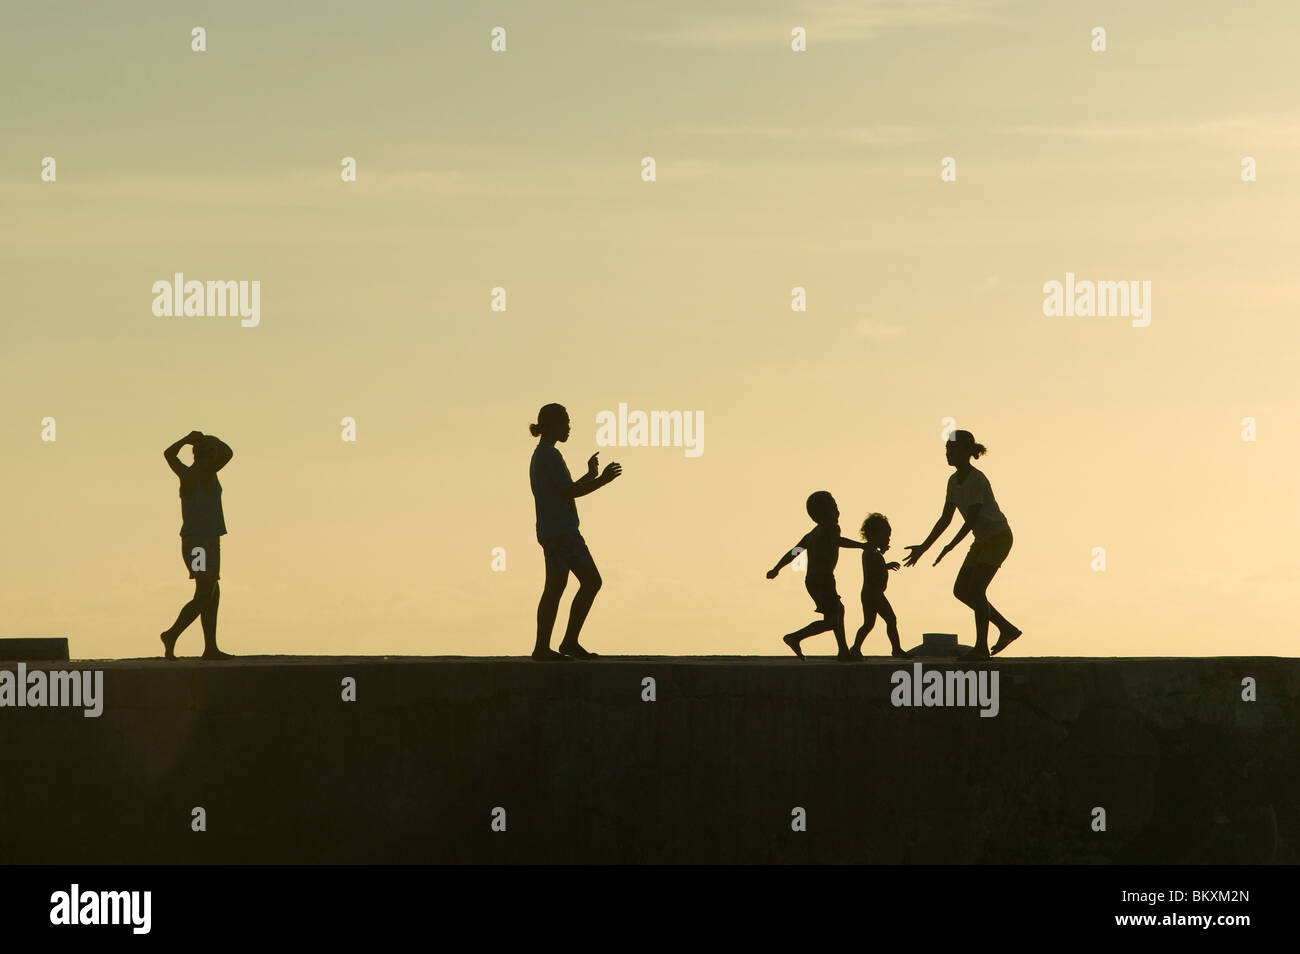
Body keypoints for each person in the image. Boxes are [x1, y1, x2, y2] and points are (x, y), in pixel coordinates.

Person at [903, 430, 1021, 659]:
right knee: (961, 590)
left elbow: (973, 519)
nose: (947, 453)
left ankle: (981, 648)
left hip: (998, 537)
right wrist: (923, 548)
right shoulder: (952, 482)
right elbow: (945, 519)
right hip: (982, 540)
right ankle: (1006, 628)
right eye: (946, 448)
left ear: (966, 452)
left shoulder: (976, 478)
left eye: (952, 449)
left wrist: (949, 547)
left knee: (976, 589)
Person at [529, 404, 621, 660]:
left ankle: (543, 647)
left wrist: (590, 474)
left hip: (550, 531)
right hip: (563, 533)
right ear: (553, 425)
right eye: (566, 422)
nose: (569, 427)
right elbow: (568, 493)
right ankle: (568, 642)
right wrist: (602, 480)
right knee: (592, 582)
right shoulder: (550, 456)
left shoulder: (541, 455)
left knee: (555, 588)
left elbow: (563, 490)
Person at [160, 431, 234, 660]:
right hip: (201, 544)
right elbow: (228, 452)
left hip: (203, 541)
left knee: (212, 593)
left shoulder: (188, 473)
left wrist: (187, 440)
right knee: (204, 594)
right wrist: (203, 440)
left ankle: (210, 647)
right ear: (208, 454)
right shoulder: (205, 472)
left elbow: (169, 454)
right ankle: (171, 634)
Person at [767, 491, 865, 661]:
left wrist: (777, 568)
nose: (838, 512)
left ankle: (843, 651)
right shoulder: (832, 529)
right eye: (834, 509)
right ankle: (795, 637)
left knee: (838, 610)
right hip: (823, 580)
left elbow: (794, 552)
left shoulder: (811, 535)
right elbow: (838, 541)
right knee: (832, 621)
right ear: (822, 514)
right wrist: (862, 546)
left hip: (813, 581)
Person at [851, 512, 906, 658]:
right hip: (873, 594)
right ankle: (896, 649)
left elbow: (876, 565)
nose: (888, 539)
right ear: (874, 534)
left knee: (869, 624)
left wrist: (882, 555)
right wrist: (886, 565)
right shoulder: (869, 552)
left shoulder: (874, 552)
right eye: (885, 535)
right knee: (890, 619)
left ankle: (856, 648)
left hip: (872, 593)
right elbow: (872, 569)